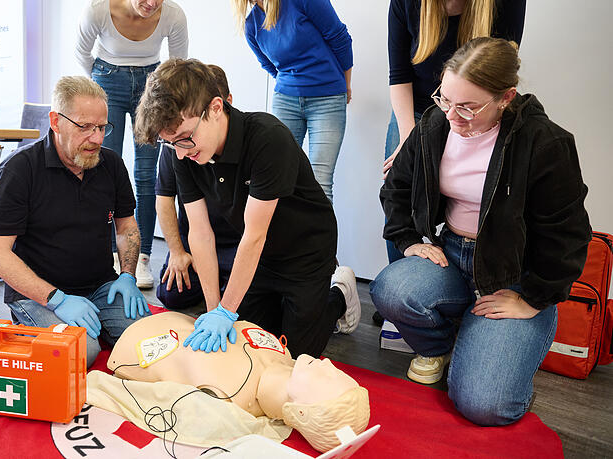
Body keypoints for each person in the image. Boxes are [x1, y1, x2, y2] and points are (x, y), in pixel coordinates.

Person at [370, 38, 591, 426]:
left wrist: (534, 300)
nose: (453, 115)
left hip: (514, 277)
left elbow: (568, 235)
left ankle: (495, 342)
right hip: (454, 255)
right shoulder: (435, 124)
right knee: (390, 289)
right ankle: (446, 346)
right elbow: (396, 188)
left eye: (469, 107)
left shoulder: (546, 143)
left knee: (484, 406)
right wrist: (407, 241)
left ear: (506, 98)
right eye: (446, 100)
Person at [135, 58, 360, 359]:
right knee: (249, 348)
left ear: (215, 108)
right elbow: (201, 235)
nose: (180, 151)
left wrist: (227, 311)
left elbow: (254, 235)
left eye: (186, 139)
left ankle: (339, 295)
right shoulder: (183, 154)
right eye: (171, 143)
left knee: (292, 355)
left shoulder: (268, 138)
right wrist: (215, 309)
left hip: (305, 251)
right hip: (261, 258)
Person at [0, 76, 149, 367]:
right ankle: (30, 326)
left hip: (100, 286)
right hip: (39, 292)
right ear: (55, 122)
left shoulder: (111, 164)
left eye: (101, 127)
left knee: (147, 341)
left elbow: (126, 226)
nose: (96, 138)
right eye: (84, 127)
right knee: (82, 352)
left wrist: (127, 275)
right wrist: (56, 299)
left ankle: (88, 325)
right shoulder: (20, 170)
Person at [383, 0, 526, 263]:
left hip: (479, 113)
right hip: (416, 110)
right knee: (401, 188)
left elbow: (502, 70)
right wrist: (408, 139)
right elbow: (399, 74)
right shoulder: (406, 4)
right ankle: (402, 274)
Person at [106, 311, 370, 452]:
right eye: (334, 369)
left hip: (134, 345)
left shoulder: (229, 395)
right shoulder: (284, 356)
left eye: (327, 377)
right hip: (167, 323)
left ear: (301, 410)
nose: (327, 363)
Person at [76, 0, 189, 289]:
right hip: (107, 77)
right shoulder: (99, 10)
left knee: (146, 175)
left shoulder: (173, 15)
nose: (151, 3)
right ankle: (109, 255)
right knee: (104, 169)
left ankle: (142, 258)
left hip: (153, 80)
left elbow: (178, 66)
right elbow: (82, 53)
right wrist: (102, 80)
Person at [233, 0, 353, 204]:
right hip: (285, 101)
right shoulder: (251, 24)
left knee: (320, 181)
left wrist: (345, 84)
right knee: (279, 176)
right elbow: (268, 65)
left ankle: (320, 236)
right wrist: (289, 82)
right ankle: (289, 236)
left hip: (327, 98)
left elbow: (340, 39)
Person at [155, 64, 242, 310]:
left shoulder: (249, 139)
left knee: (247, 303)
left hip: (234, 242)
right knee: (170, 295)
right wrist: (176, 251)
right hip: (197, 238)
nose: (184, 150)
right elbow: (164, 199)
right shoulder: (178, 147)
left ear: (222, 105)